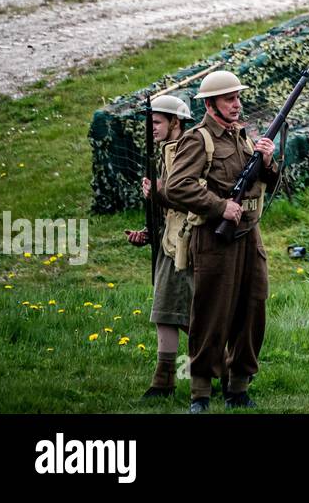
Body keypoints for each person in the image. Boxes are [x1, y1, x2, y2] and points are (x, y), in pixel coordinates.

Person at [163, 69, 279, 413]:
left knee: (252, 310)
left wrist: (269, 162)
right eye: (229, 99)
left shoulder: (243, 138)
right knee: (211, 315)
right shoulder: (198, 140)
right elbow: (176, 186)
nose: (236, 103)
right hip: (214, 240)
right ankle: (200, 393)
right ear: (210, 104)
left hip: (248, 237)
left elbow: (268, 183)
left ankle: (238, 387)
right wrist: (218, 206)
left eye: (237, 97)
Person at [124, 94, 193, 398]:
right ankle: (163, 382)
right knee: (165, 312)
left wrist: (160, 192)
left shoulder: (188, 152)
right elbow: (168, 211)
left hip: (191, 243)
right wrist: (148, 233)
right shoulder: (165, 153)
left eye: (156, 122)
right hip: (169, 242)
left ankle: (230, 373)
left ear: (175, 122)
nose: (151, 128)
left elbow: (196, 198)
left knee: (196, 318)